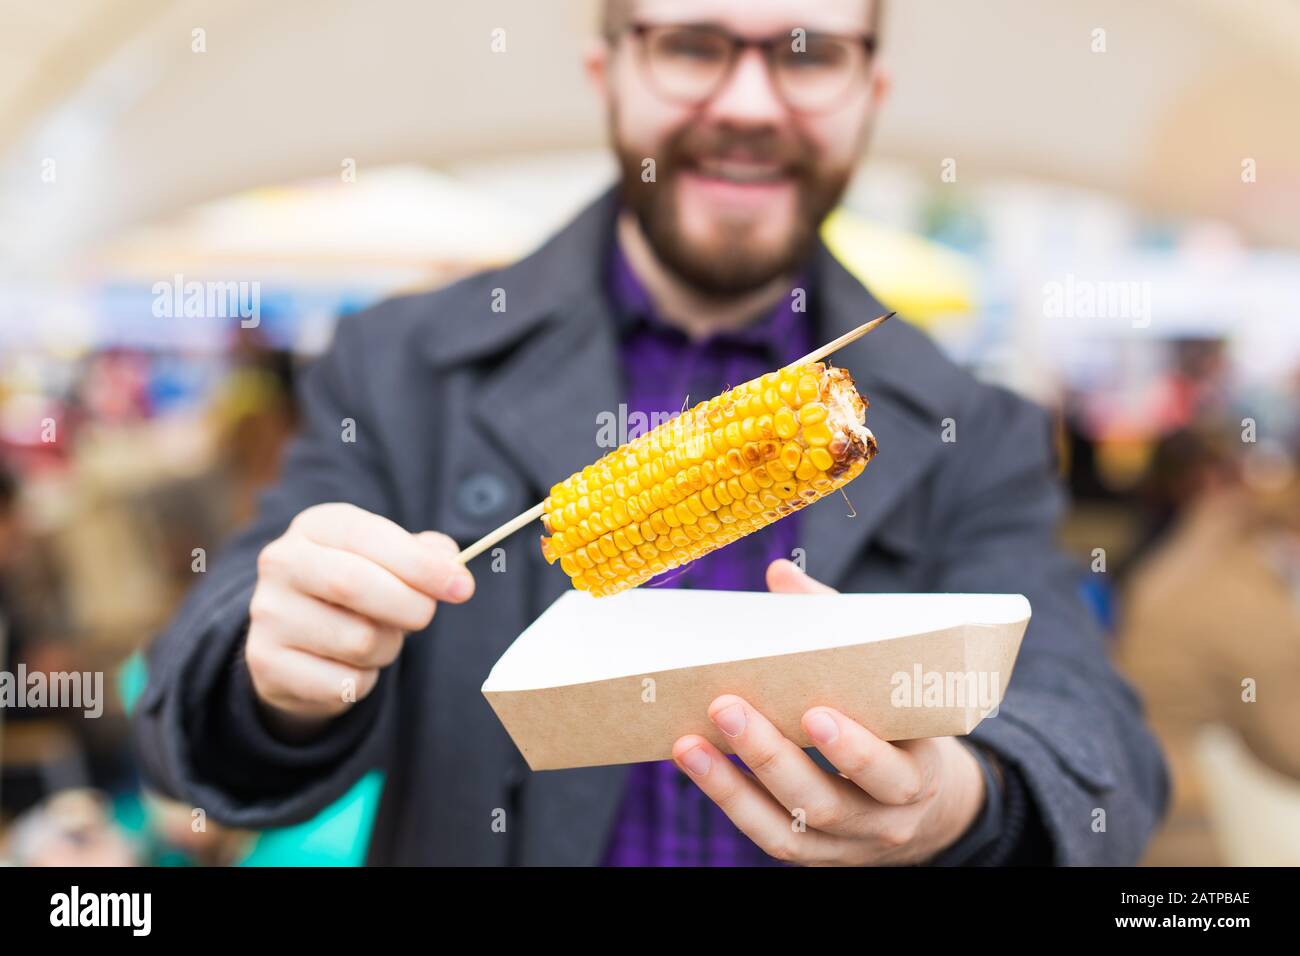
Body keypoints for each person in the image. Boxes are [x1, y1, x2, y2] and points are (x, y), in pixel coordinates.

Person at [135, 0, 1168, 865]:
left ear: (871, 94)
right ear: (608, 68)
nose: (750, 104)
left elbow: (1101, 744)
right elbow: (195, 720)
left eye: (810, 54)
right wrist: (280, 675)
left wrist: (960, 799)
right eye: (691, 44)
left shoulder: (973, 422)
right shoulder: (401, 363)